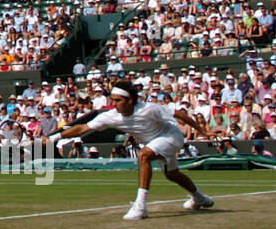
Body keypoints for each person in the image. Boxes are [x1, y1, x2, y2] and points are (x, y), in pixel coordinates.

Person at [54, 81, 213, 221]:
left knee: (143, 155)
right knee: (172, 174)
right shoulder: (110, 116)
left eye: (118, 100)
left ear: (130, 100)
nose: (114, 104)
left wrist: (203, 131)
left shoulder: (149, 109)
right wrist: (54, 138)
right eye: (112, 100)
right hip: (154, 142)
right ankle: (200, 198)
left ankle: (141, 206)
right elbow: (82, 128)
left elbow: (180, 115)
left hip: (171, 136)